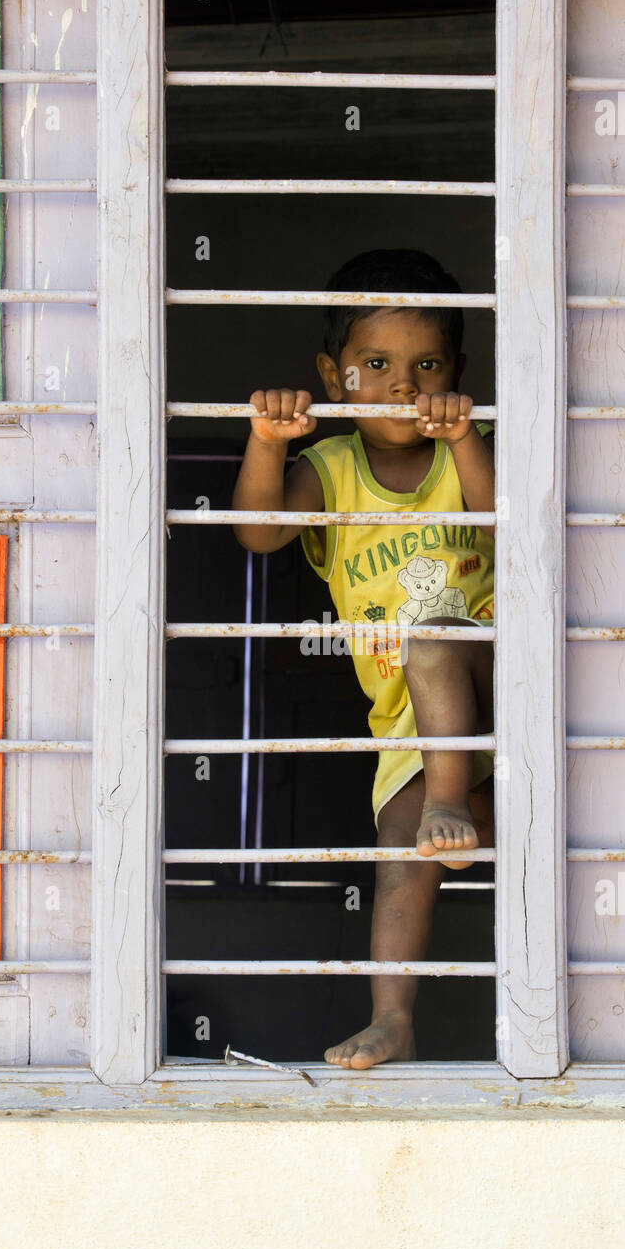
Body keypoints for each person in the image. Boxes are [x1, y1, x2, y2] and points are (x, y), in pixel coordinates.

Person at [232, 249, 495, 1069]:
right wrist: (269, 441)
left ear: (458, 373)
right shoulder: (330, 470)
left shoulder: (470, 449)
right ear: (332, 374)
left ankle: (448, 803)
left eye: (426, 366)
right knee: (398, 845)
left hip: (499, 680)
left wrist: (463, 440)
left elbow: (508, 518)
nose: (402, 385)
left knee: (431, 637)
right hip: (411, 725)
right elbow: (259, 532)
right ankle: (394, 1015)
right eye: (374, 364)